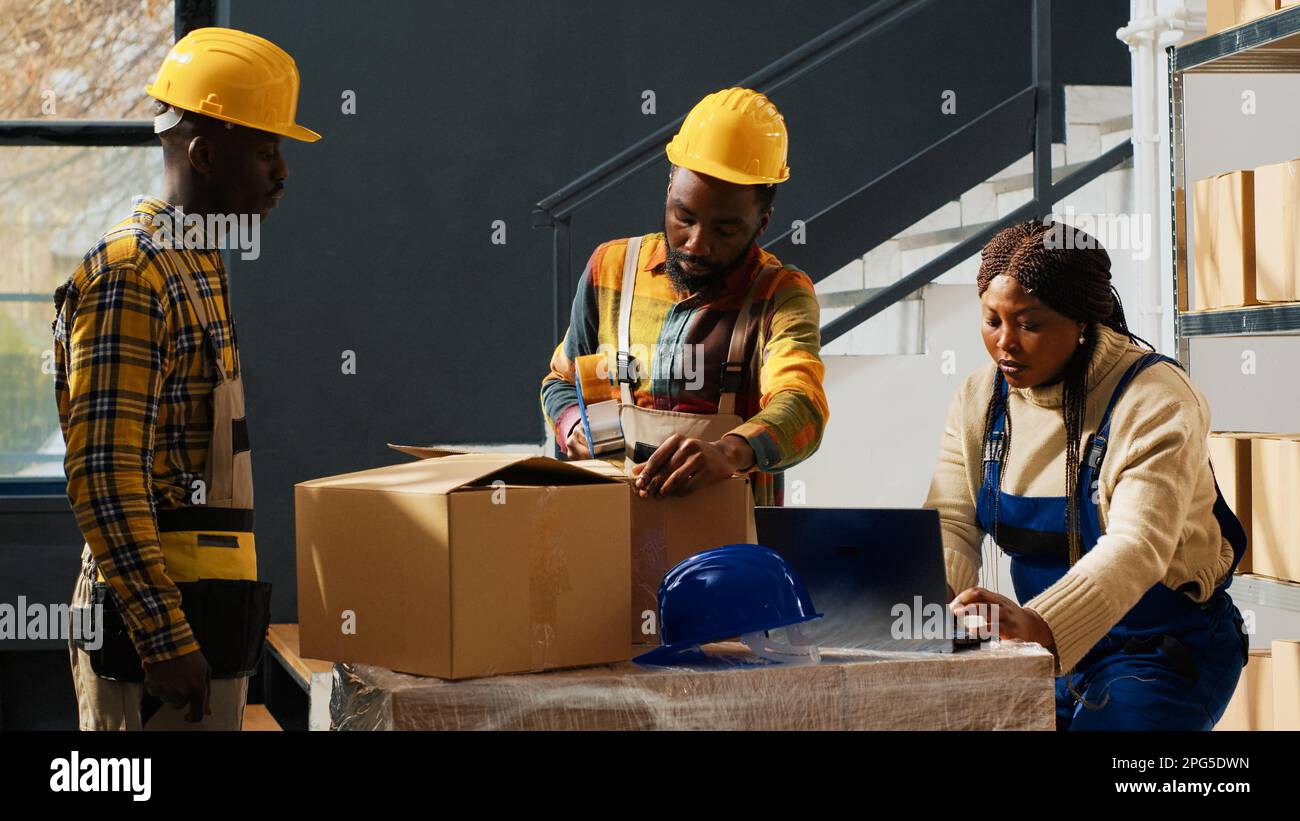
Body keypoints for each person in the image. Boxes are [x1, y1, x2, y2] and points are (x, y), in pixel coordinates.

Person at [54, 27, 320, 730]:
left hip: (207, 630)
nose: (281, 173)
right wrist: (164, 636)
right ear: (203, 153)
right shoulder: (132, 274)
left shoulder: (198, 266)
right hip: (153, 655)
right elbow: (105, 475)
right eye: (265, 151)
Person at [925, 219, 1249, 730]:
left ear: (1080, 321)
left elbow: (1136, 546)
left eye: (1029, 324)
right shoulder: (980, 398)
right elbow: (952, 520)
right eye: (992, 320)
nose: (1005, 343)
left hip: (1157, 650)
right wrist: (938, 599)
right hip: (1039, 650)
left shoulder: (1155, 399)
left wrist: (1042, 622)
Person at [540, 87, 828, 505]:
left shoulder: (780, 296)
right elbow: (561, 382)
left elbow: (802, 408)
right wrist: (571, 426)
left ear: (762, 222)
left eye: (724, 230)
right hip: (613, 532)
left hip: (731, 554)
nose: (696, 244)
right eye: (684, 217)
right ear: (670, 188)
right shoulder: (611, 270)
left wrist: (728, 452)